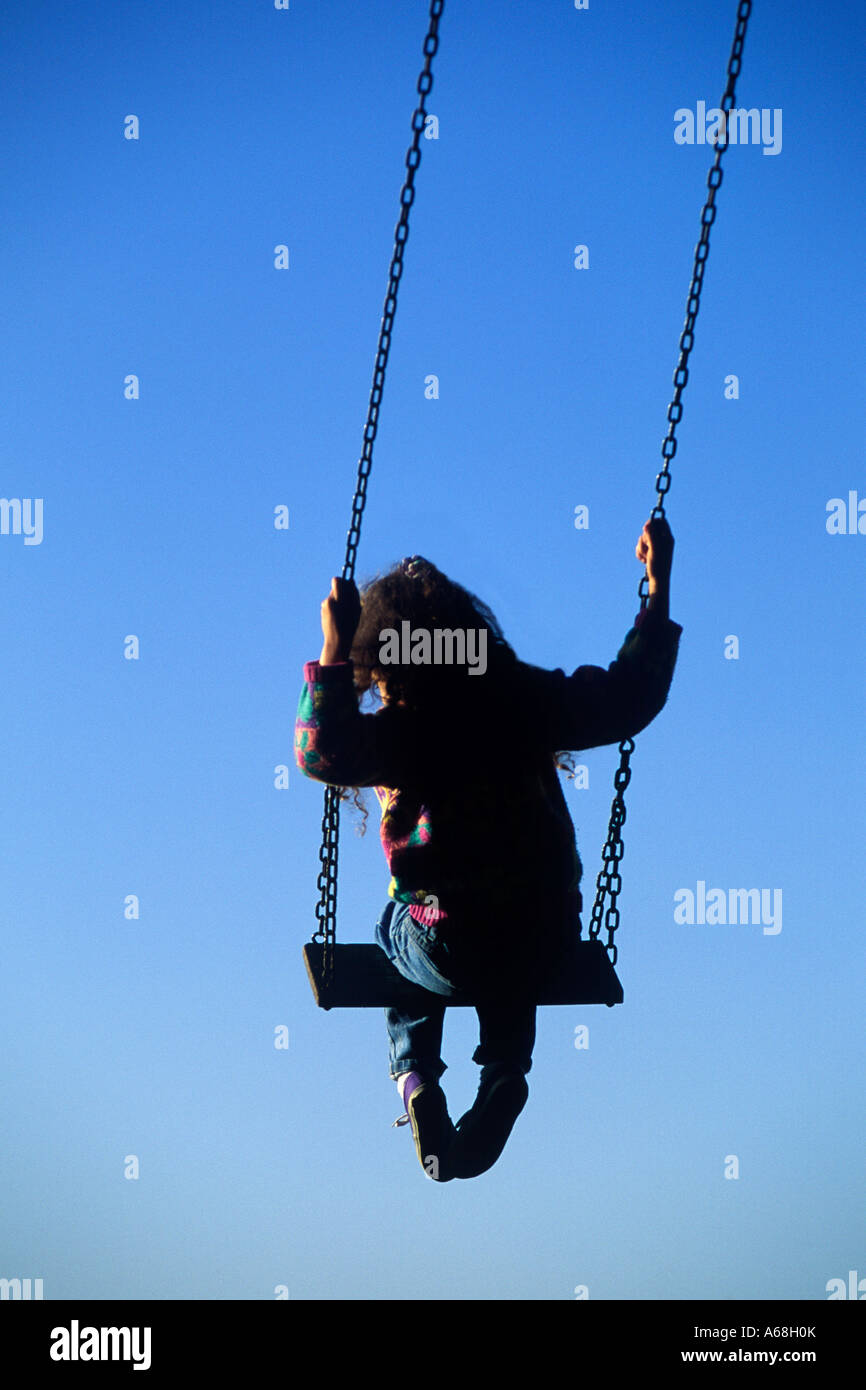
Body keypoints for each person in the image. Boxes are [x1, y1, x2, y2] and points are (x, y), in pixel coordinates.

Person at [294, 518, 681, 1181]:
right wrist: (658, 588)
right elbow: (628, 697)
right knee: (513, 917)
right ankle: (505, 1069)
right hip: (544, 939)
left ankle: (417, 1080)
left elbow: (320, 751)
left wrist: (332, 648)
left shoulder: (405, 729)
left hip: (447, 946)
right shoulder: (527, 701)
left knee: (400, 930)